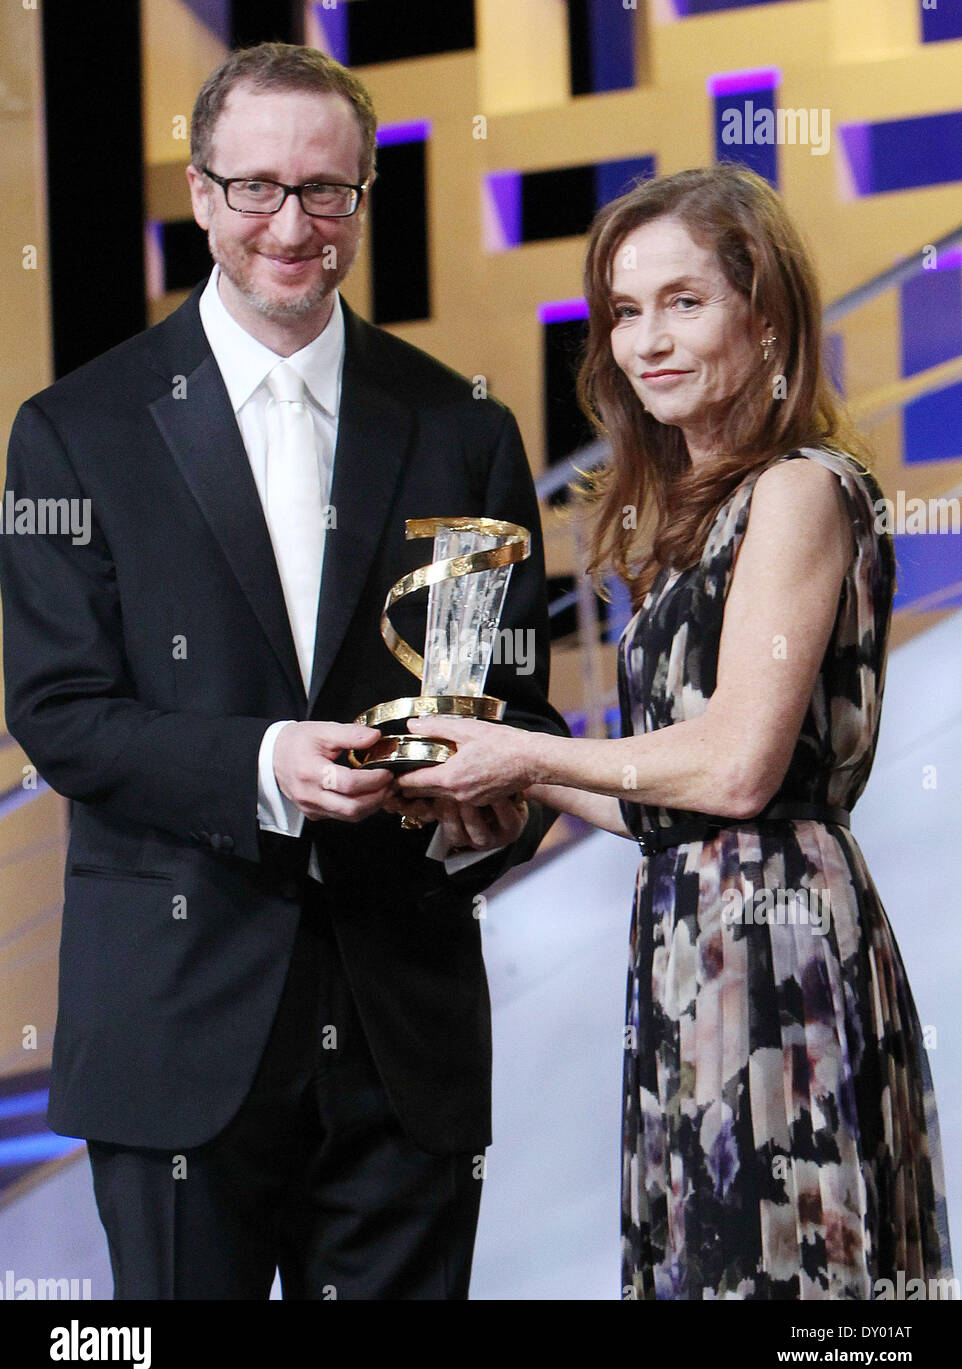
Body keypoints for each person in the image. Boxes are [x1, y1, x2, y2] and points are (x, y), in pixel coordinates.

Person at [0, 43, 566, 1300]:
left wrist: (486, 811)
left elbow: (508, 704)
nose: (290, 224)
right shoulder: (74, 432)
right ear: (200, 195)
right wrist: (267, 763)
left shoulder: (462, 428)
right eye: (253, 187)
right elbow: (60, 716)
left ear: (364, 198)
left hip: (402, 1036)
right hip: (174, 1026)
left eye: (325, 191)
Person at [396, 165, 954, 1300]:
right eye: (622, 309)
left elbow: (739, 766)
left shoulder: (799, 489)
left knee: (787, 1280)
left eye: (683, 302)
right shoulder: (689, 523)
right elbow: (670, 796)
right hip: (690, 943)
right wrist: (506, 767)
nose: (645, 339)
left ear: (767, 317)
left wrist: (532, 753)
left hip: (775, 951)